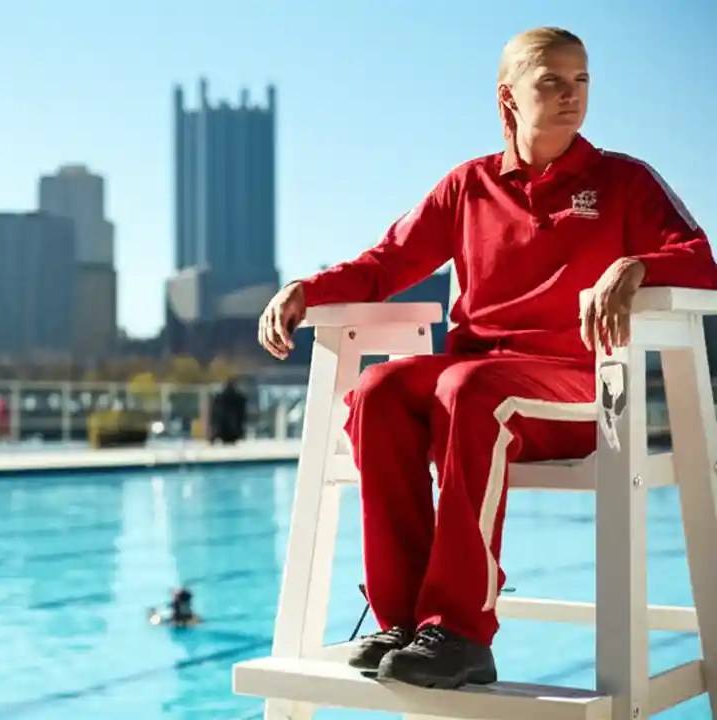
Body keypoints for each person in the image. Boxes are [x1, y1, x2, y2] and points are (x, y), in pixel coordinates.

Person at [257, 27, 717, 689]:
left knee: (471, 390)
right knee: (379, 391)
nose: (571, 95)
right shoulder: (468, 186)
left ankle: (463, 631)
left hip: (580, 389)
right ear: (508, 101)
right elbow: (387, 263)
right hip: (477, 380)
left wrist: (637, 265)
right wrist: (307, 289)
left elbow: (702, 260)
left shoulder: (624, 181)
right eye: (552, 82)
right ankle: (409, 622)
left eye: (581, 79)